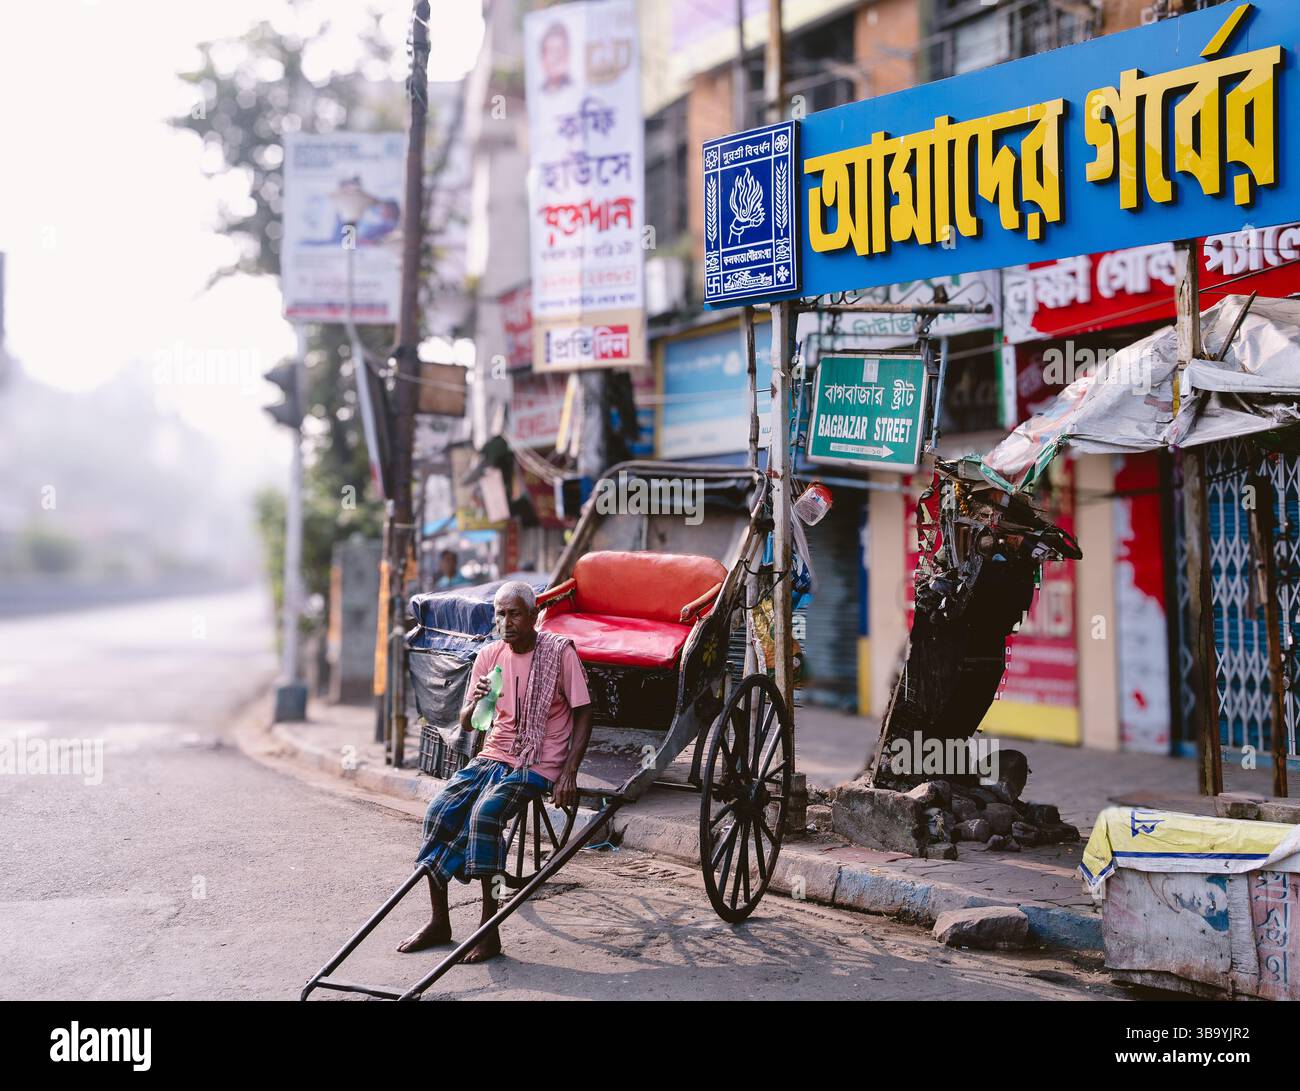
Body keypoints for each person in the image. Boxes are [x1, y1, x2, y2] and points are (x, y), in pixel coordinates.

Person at [398, 581, 593, 963]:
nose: (506, 622)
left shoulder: (558, 653)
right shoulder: (488, 656)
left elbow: (585, 711)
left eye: (514, 613)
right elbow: (469, 724)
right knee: (438, 812)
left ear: (534, 615)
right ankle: (440, 921)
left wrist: (569, 772)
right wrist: (477, 700)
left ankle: (489, 931)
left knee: (485, 817)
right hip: (493, 755)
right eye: (500, 614)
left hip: (537, 760)